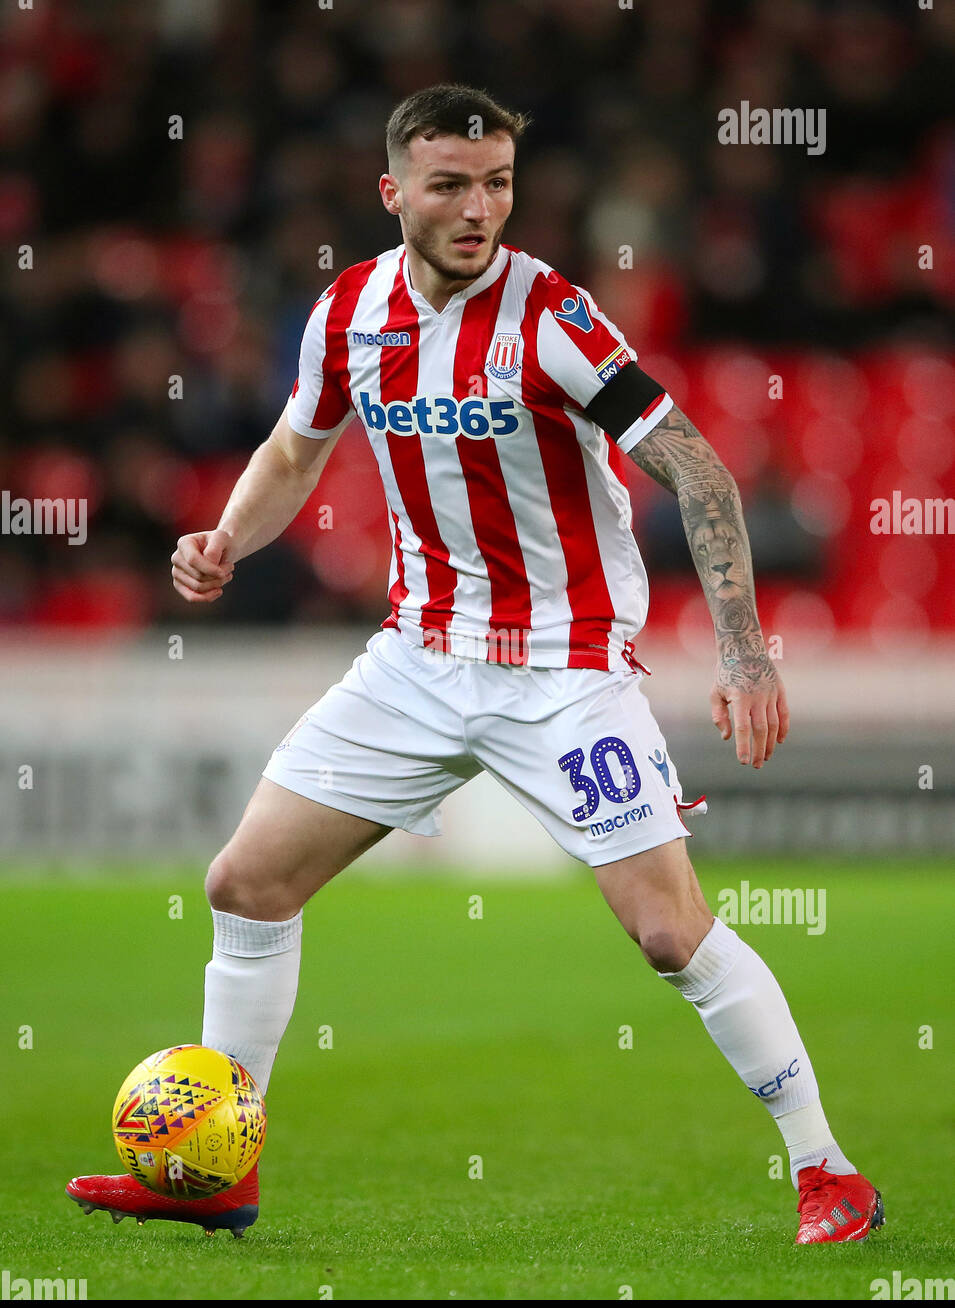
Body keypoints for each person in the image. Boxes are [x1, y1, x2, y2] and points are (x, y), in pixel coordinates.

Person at [67, 84, 882, 1246]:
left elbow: (699, 471)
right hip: (419, 655)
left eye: (497, 182)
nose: (478, 207)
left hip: (564, 670)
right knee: (244, 884)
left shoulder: (553, 315)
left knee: (668, 932)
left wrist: (746, 652)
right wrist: (226, 540)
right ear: (393, 190)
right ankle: (221, 1168)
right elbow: (296, 446)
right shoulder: (348, 312)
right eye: (450, 183)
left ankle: (826, 1169)